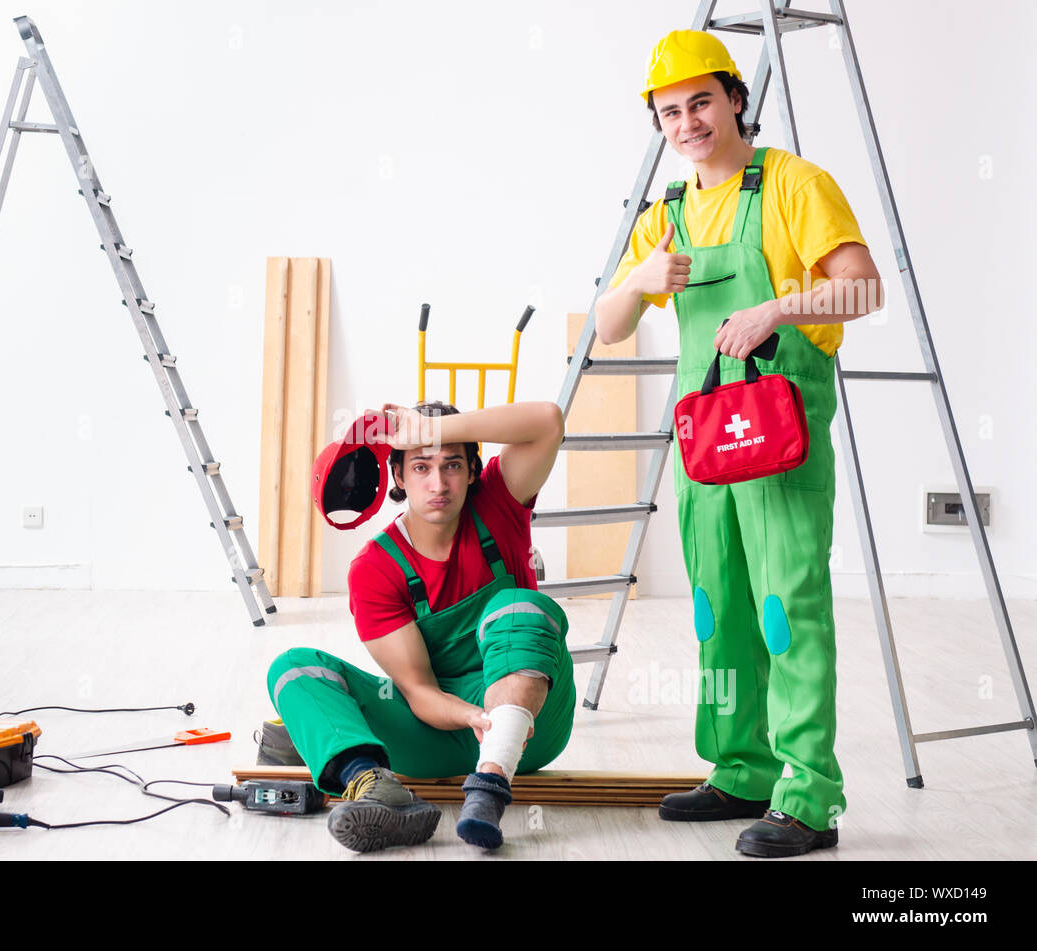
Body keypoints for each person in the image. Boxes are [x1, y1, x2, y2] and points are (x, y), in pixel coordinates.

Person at [594, 29, 883, 857]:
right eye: (670, 112)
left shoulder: (792, 182)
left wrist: (780, 308)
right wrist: (639, 280)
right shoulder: (668, 214)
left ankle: (807, 797)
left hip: (780, 438)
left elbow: (863, 285)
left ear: (734, 99)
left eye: (701, 103)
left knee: (786, 609)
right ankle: (741, 768)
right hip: (705, 446)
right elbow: (609, 328)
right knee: (719, 610)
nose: (688, 122)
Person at [266, 399, 571, 852]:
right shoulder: (375, 567)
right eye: (422, 466)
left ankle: (488, 787)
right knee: (293, 668)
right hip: (442, 728)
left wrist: (423, 429)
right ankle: (373, 785)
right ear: (399, 477)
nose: (438, 483)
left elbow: (547, 420)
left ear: (473, 470)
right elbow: (419, 692)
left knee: (518, 605)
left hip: (531, 728)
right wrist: (473, 718)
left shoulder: (498, 504)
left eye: (452, 465)